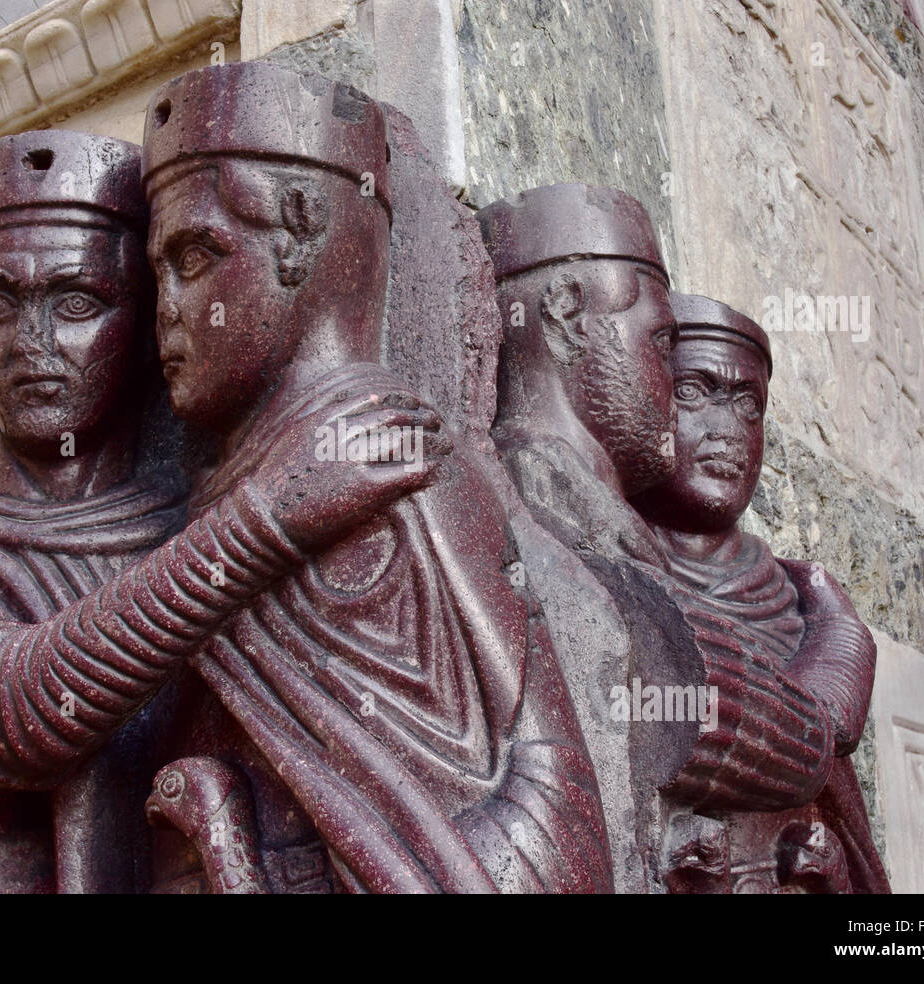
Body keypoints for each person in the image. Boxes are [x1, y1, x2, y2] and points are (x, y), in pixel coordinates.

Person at [0, 129, 437, 893]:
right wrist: (277, 515)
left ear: (147, 326)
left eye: (76, 302)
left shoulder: (188, 522)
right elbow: (18, 706)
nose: (29, 343)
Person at [135, 61, 612, 893]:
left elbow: (543, 812)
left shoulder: (385, 474)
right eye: (155, 272)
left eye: (196, 255)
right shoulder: (258, 481)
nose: (167, 307)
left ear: (304, 232)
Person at [630, 293, 890, 893]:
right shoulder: (611, 564)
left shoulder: (800, 594)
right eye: (693, 392)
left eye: (748, 404)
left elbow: (837, 790)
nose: (726, 431)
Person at [476, 183, 678, 568]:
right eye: (663, 344)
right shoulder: (534, 494)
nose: (676, 379)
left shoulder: (598, 512)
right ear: (568, 318)